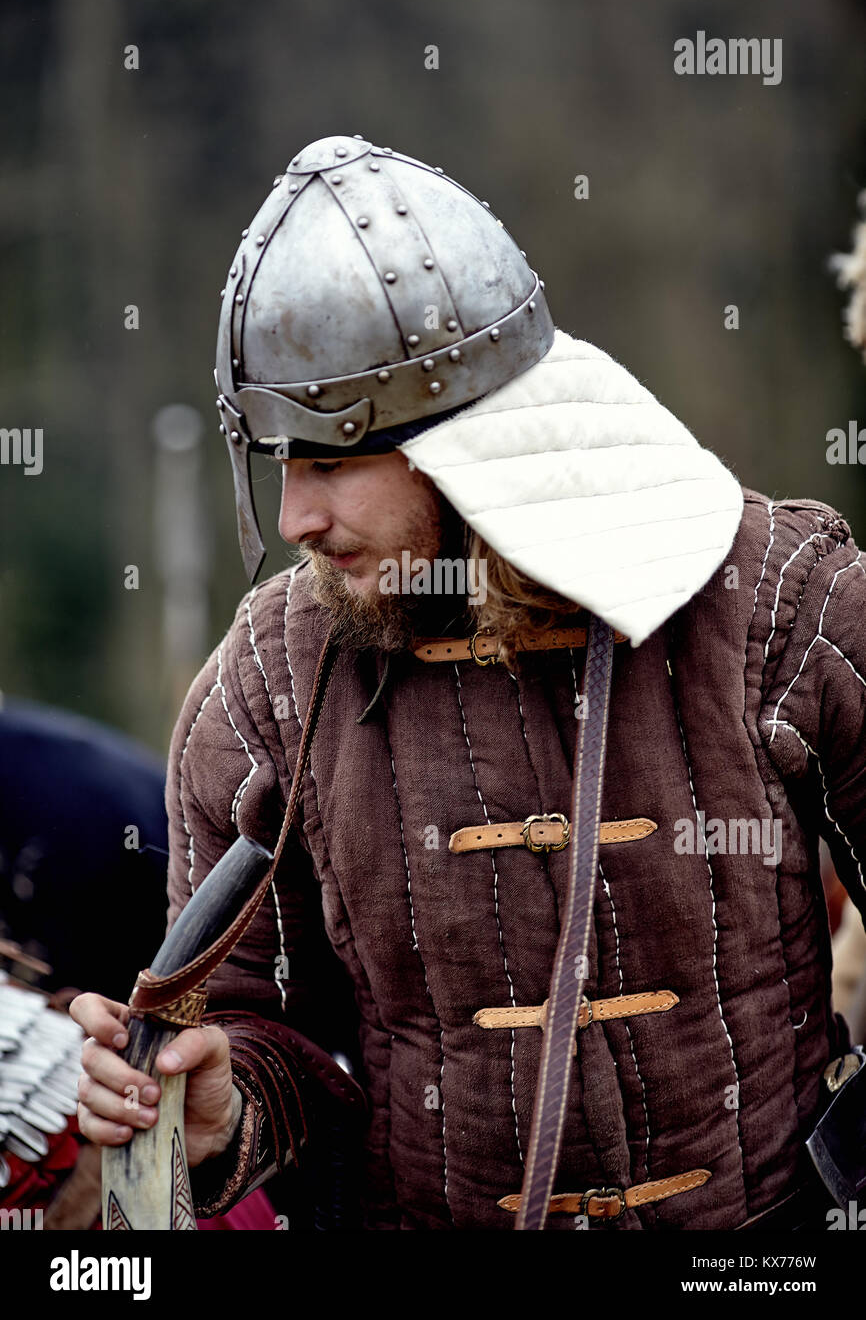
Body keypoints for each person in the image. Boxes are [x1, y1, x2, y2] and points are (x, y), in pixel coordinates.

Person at [72, 136, 866, 1231]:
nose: (297, 518)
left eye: (332, 455)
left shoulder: (781, 606)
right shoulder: (265, 689)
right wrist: (224, 1105)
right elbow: (267, 1029)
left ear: (463, 441)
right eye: (281, 464)